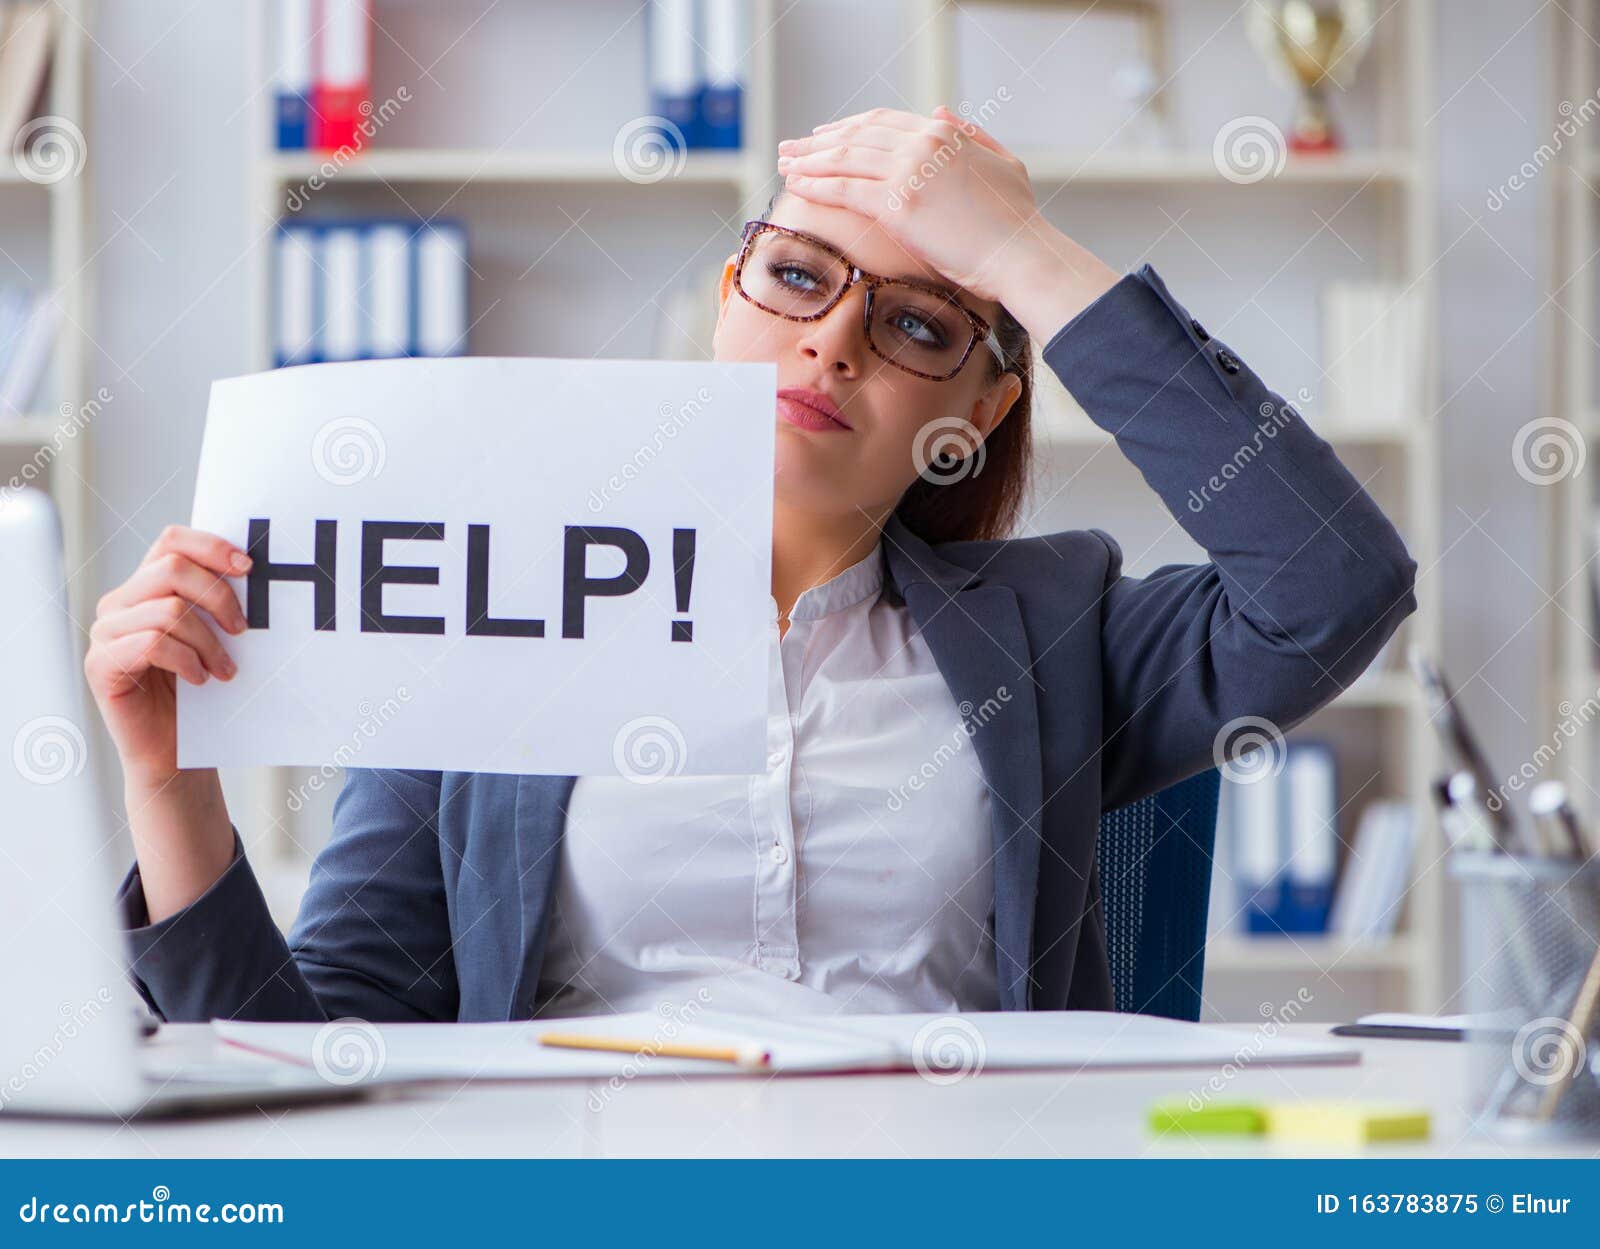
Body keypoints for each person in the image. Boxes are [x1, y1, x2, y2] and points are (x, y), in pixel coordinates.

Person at [86, 106, 1416, 1023]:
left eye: (913, 321)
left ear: (980, 411)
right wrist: (169, 782)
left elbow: (1334, 583)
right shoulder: (487, 604)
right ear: (723, 301)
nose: (832, 344)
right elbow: (311, 1058)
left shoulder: (1057, 633)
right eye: (794, 276)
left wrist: (1016, 253)